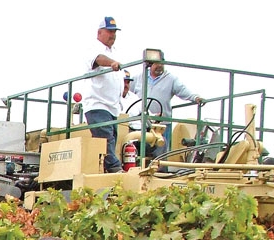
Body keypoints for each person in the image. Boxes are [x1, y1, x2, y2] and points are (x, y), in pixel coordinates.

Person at [130, 55, 204, 154]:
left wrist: (195, 98)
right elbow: (127, 93)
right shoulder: (138, 78)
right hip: (141, 122)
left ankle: (161, 167)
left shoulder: (171, 79)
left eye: (162, 63)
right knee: (138, 147)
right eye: (157, 63)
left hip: (162, 123)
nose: (160, 66)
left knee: (162, 147)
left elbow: (182, 90)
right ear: (150, 65)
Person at [83, 16, 125, 173]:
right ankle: (115, 169)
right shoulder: (93, 48)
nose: (112, 35)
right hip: (97, 104)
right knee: (105, 140)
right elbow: (98, 59)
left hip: (112, 107)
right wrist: (112, 63)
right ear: (99, 32)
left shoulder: (113, 51)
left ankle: (110, 169)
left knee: (111, 139)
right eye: (109, 31)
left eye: (114, 32)